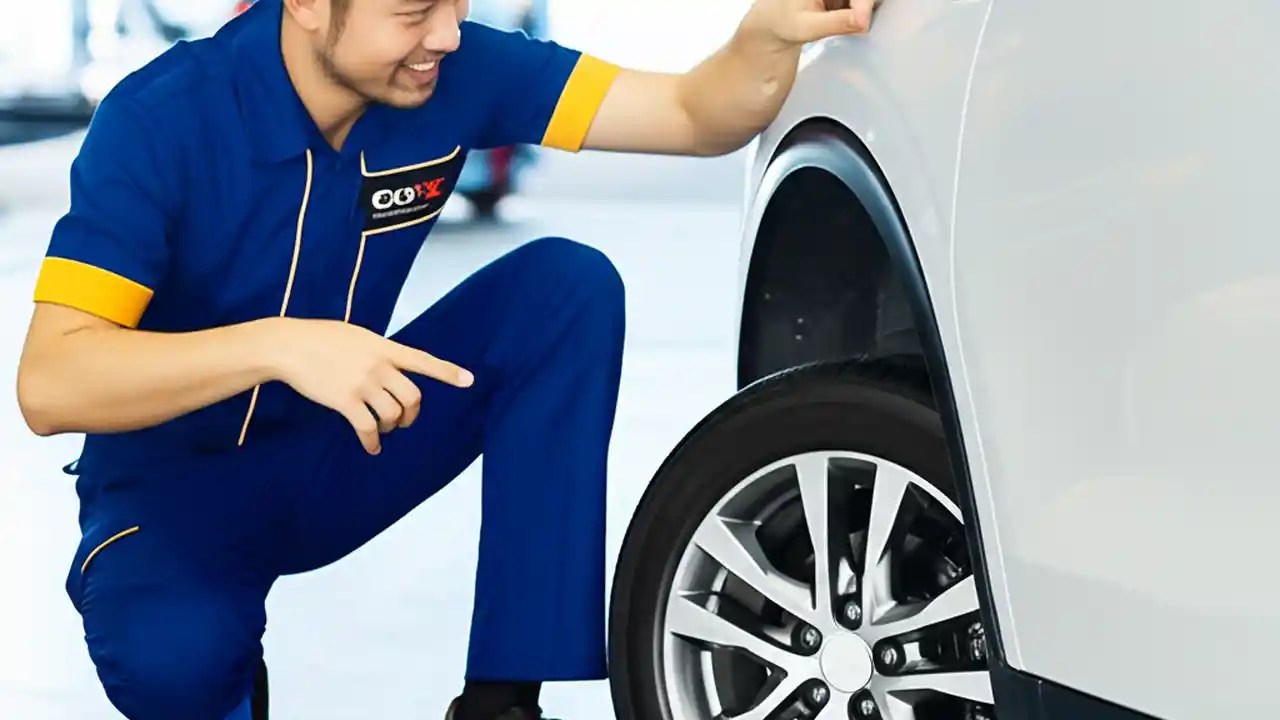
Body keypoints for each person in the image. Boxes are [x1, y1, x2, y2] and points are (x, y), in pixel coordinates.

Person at [14, 0, 880, 718]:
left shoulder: (456, 72)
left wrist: (764, 37)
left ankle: (502, 701)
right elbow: (52, 381)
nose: (447, 34)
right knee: (180, 659)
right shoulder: (160, 120)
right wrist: (280, 347)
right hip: (172, 502)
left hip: (346, 442)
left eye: (457, 2)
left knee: (562, 289)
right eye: (413, 12)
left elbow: (695, 114)